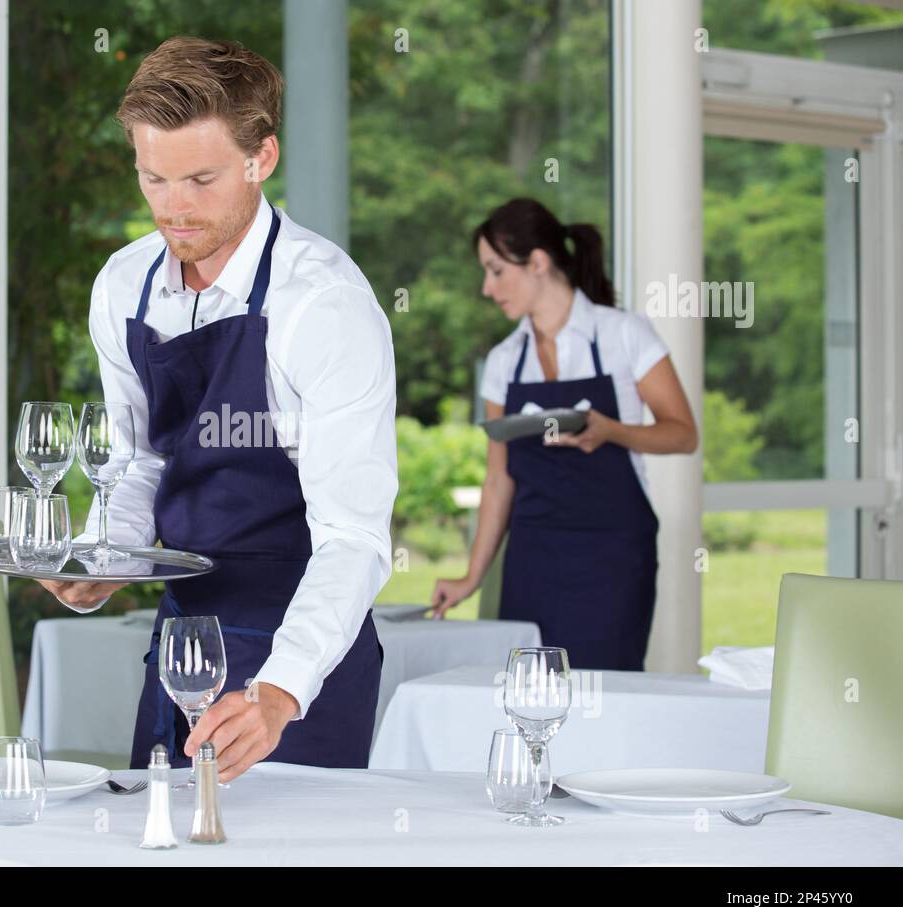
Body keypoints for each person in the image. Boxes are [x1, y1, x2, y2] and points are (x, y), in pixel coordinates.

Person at [36, 37, 398, 782]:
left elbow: (355, 537)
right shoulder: (123, 285)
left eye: (201, 179)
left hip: (301, 663)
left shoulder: (323, 305)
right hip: (182, 644)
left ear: (261, 157)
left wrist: (279, 688)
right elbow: (139, 460)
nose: (175, 207)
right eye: (154, 179)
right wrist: (111, 556)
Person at [431, 198, 697, 670]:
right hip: (533, 560)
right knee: (530, 698)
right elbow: (499, 481)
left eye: (495, 271)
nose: (487, 289)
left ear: (537, 262)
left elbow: (682, 434)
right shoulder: (504, 361)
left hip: (613, 559)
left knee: (605, 698)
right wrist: (472, 576)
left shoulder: (623, 335)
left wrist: (612, 431)